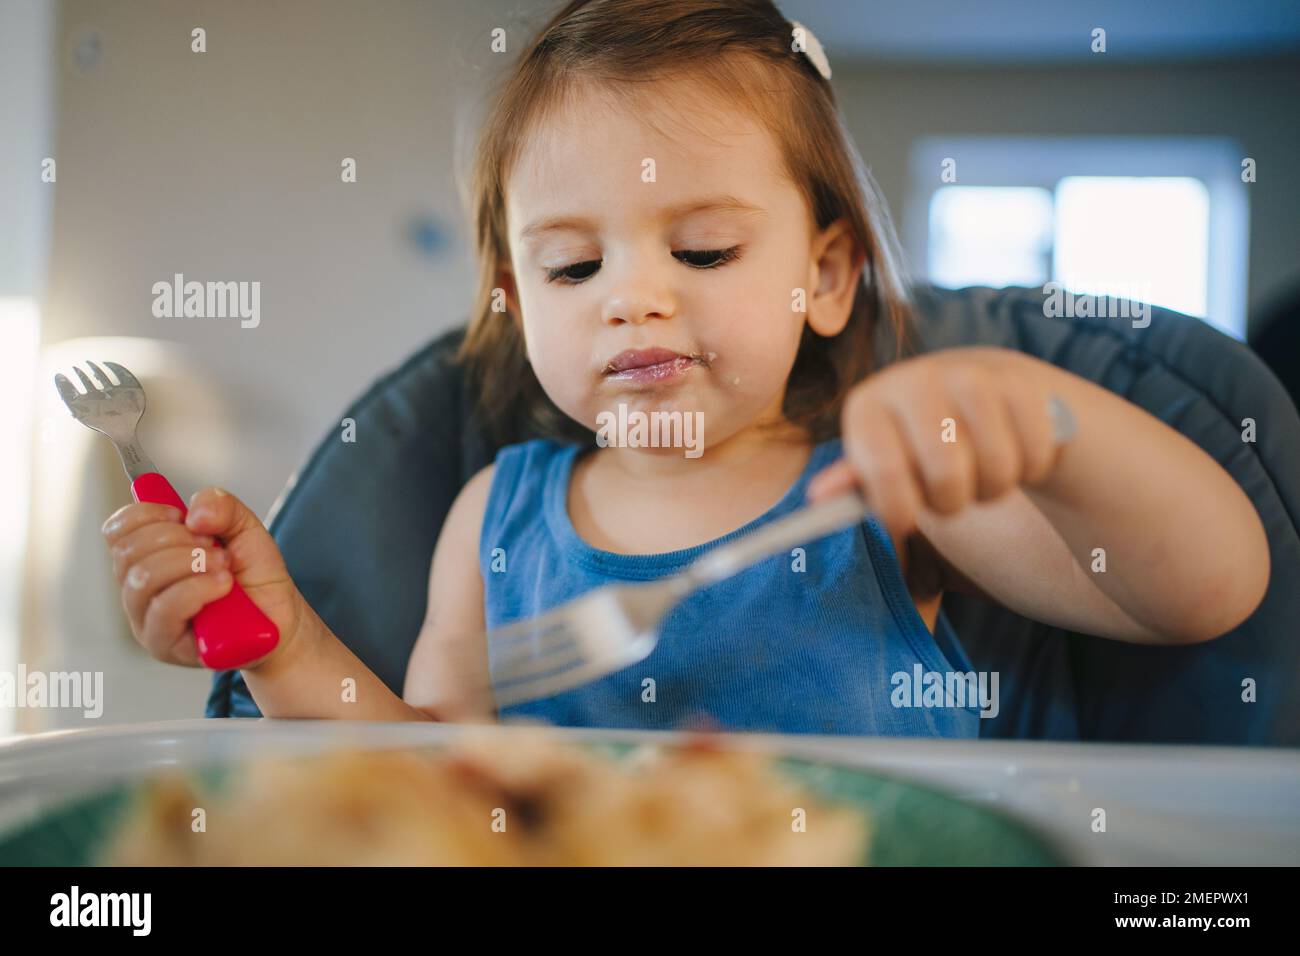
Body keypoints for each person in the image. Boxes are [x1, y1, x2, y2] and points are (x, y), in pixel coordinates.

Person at [101, 0, 1269, 735]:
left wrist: (1037, 418)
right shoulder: (491, 522)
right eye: (569, 267)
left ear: (824, 274)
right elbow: (423, 769)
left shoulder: (886, 492)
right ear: (513, 302)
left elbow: (1203, 589)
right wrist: (288, 640)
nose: (633, 296)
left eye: (703, 247)